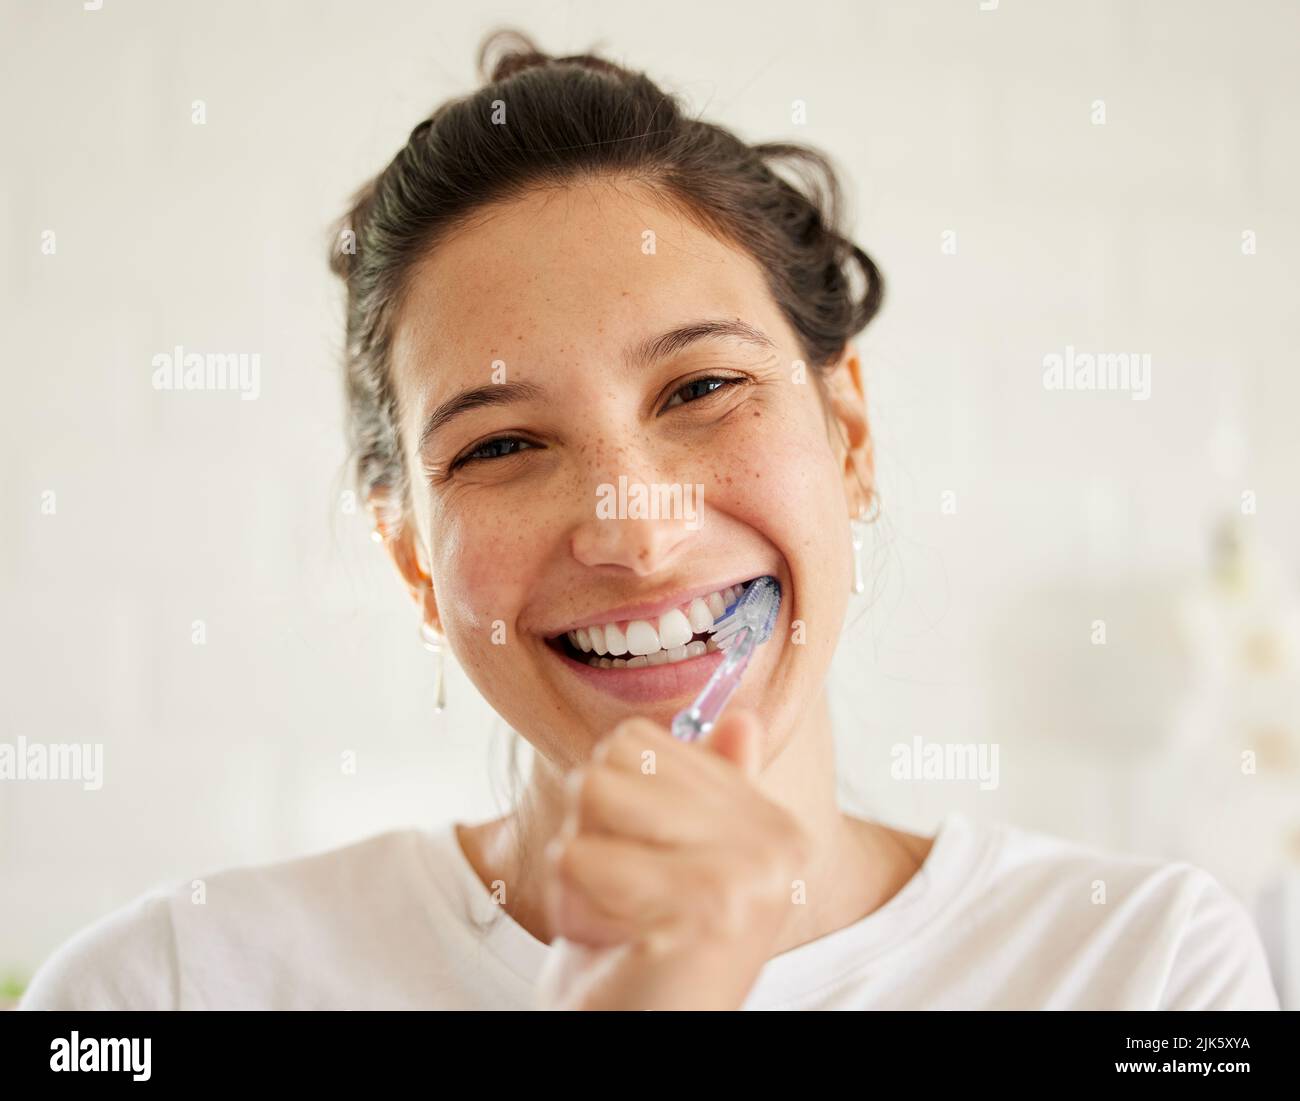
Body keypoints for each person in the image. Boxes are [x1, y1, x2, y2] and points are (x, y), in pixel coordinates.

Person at [19, 30, 1279, 1011]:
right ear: (411, 554)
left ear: (848, 437)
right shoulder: (169, 989)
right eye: (501, 445)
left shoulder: (1145, 967)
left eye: (702, 389)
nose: (632, 530)